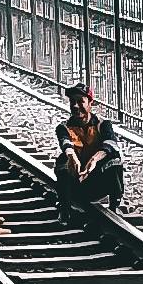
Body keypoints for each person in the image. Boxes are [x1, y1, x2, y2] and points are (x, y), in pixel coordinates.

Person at [51, 81, 127, 221]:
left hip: (96, 180)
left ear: (90, 103)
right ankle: (65, 208)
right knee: (62, 162)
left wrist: (94, 160)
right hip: (76, 182)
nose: (75, 106)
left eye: (80, 101)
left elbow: (110, 144)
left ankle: (114, 205)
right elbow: (65, 143)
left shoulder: (102, 124)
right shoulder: (64, 127)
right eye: (72, 102)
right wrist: (72, 157)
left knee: (115, 160)